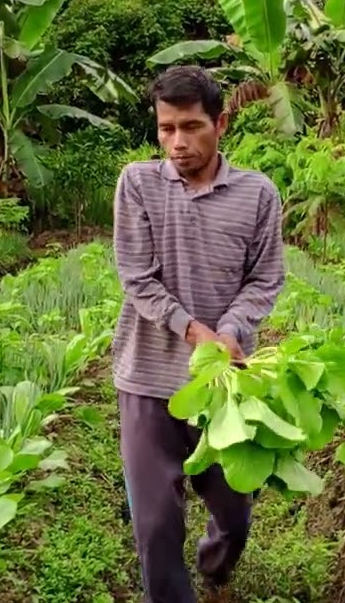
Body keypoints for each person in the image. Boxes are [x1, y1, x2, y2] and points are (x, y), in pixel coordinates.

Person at [111, 65, 286, 603]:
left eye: (191, 127)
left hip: (225, 387)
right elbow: (138, 277)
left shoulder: (257, 194)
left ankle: (216, 564)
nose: (177, 142)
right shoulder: (137, 184)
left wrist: (229, 331)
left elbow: (266, 277)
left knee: (234, 511)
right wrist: (195, 332)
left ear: (220, 123)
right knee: (156, 524)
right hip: (148, 377)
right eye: (166, 129)